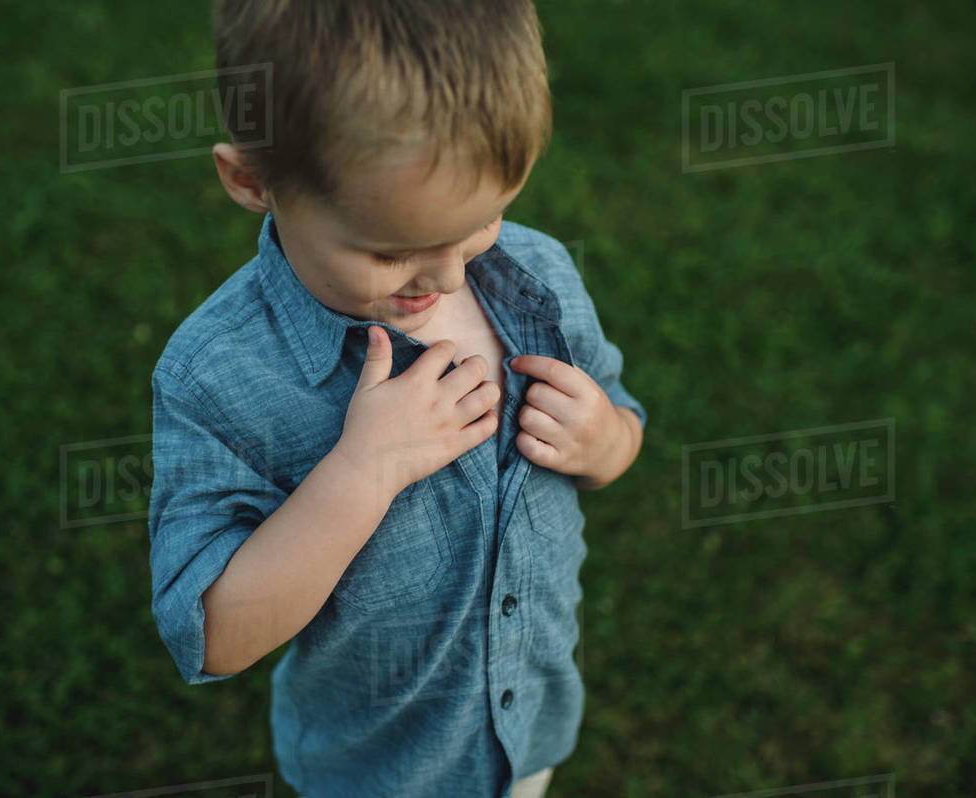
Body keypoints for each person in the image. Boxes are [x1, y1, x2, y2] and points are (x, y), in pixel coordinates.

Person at [148, 2, 647, 795]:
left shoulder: (539, 278)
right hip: (378, 773)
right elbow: (212, 635)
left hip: (526, 736)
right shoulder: (219, 375)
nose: (449, 278)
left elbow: (622, 419)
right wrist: (361, 473)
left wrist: (606, 440)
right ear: (254, 181)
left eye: (484, 220)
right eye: (391, 251)